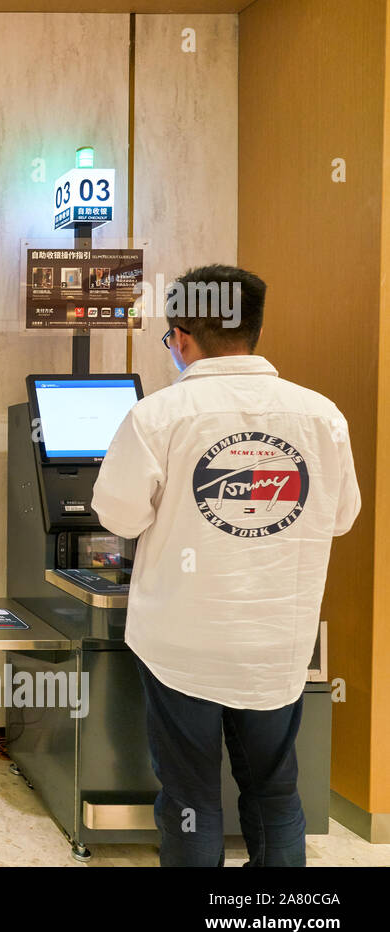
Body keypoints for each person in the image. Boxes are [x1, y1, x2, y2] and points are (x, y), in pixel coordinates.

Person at [91, 264, 360, 867]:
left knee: (189, 796)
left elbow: (119, 518)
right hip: (275, 644)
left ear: (182, 336)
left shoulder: (157, 416)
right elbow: (340, 516)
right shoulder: (322, 417)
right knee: (274, 790)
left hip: (183, 647)